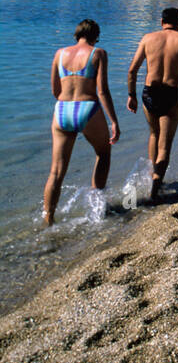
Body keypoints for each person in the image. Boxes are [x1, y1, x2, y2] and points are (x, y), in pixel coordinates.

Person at [43, 19, 120, 226]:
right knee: (103, 154)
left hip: (62, 110)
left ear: (77, 34)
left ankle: (48, 219)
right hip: (88, 109)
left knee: (56, 171)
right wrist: (113, 121)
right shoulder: (98, 53)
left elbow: (55, 91)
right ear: (96, 36)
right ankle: (96, 209)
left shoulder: (59, 54)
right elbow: (102, 91)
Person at [127, 7, 178, 202]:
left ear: (161, 21)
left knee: (153, 134)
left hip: (149, 92)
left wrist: (131, 95)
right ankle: (156, 186)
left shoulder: (147, 38)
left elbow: (132, 70)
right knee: (165, 144)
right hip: (171, 93)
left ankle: (153, 176)